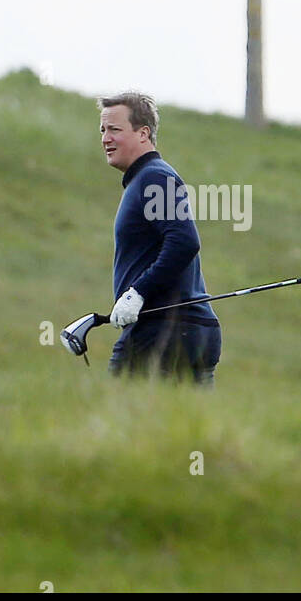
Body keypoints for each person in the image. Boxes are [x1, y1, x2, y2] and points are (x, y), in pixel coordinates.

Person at [98, 91, 221, 384]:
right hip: (185, 330)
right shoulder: (145, 180)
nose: (105, 138)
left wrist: (137, 292)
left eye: (115, 129)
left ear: (144, 133)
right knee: (184, 430)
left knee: (118, 422)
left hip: (165, 331)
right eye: (103, 130)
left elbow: (184, 241)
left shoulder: (154, 177)